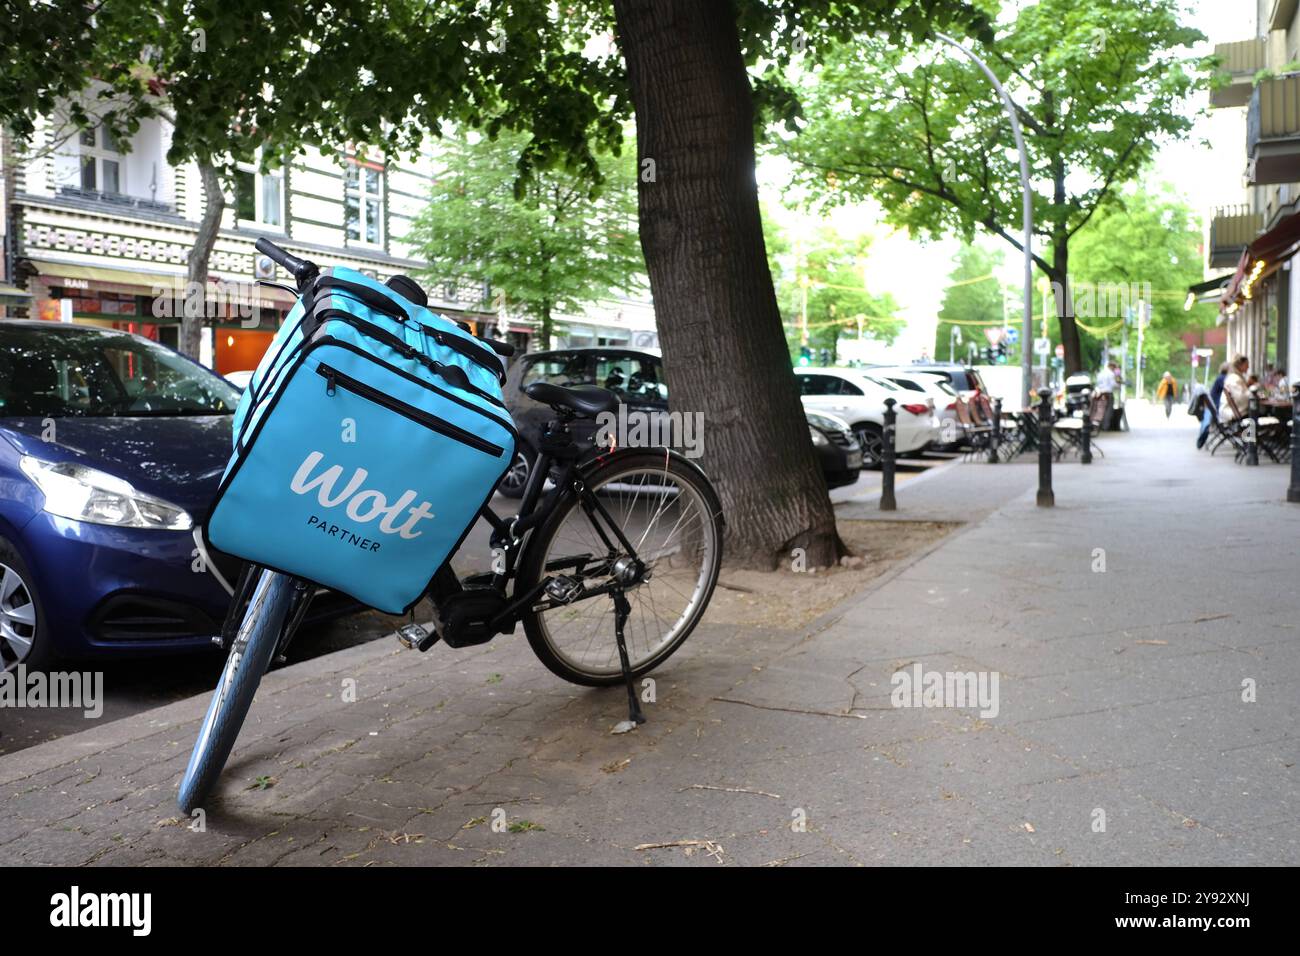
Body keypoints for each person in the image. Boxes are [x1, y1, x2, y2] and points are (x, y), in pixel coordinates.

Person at [1219, 354, 1252, 423]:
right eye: (1246, 364)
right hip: (1234, 413)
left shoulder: (1234, 377)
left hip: (1231, 411)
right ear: (1240, 365)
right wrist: (1252, 392)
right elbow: (1241, 398)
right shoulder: (1235, 379)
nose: (1248, 367)